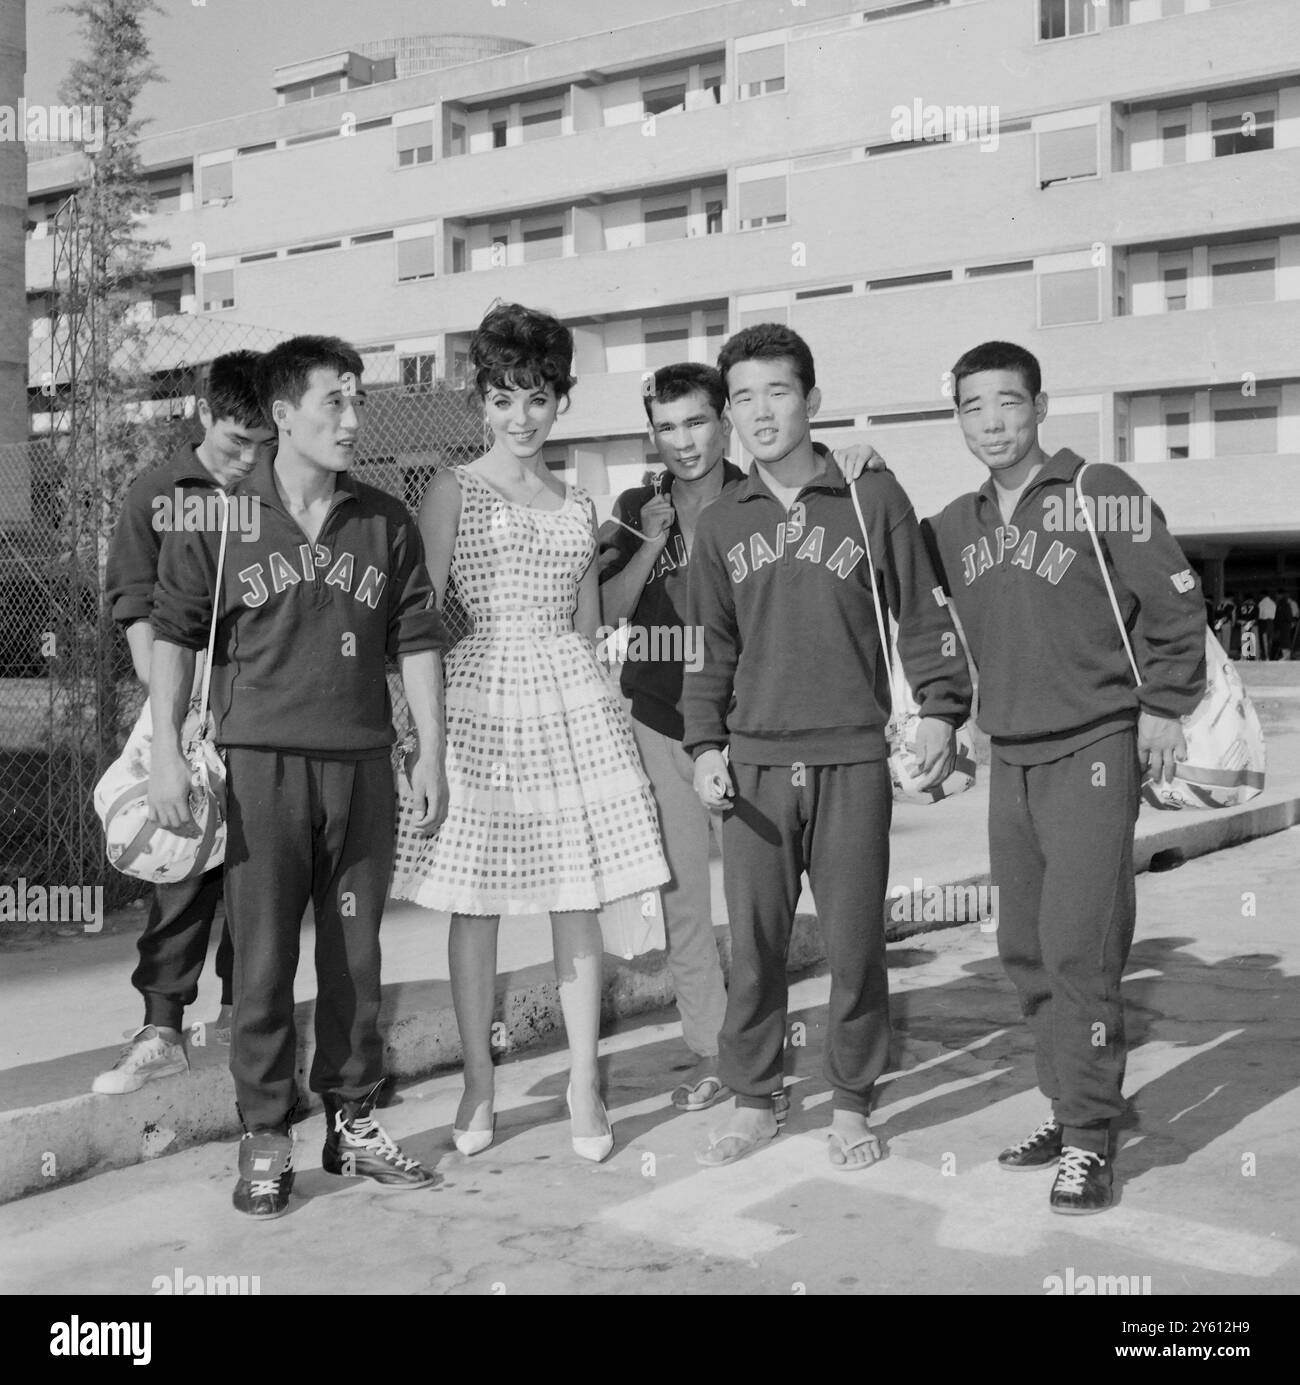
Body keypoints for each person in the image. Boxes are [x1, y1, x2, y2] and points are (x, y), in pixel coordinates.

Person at [149, 335, 450, 1218]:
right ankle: (266, 1135)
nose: (354, 420)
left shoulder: (384, 519)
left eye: (359, 401)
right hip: (260, 770)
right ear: (283, 416)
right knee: (266, 957)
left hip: (360, 766)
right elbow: (173, 631)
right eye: (335, 403)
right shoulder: (220, 519)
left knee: (356, 953)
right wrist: (167, 747)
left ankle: (353, 1122)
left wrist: (427, 749)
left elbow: (419, 641)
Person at [921, 340, 1205, 1213]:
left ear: (1041, 406)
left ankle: (1089, 1139)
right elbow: (909, 595)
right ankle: (1069, 1100)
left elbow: (1177, 599)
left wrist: (1163, 704)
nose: (991, 422)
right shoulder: (954, 526)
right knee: (1027, 948)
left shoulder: (1098, 490)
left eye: (1008, 402)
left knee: (1082, 944)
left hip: (1094, 741)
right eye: (972, 407)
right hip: (1012, 753)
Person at [682, 324, 972, 1170]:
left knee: (853, 944)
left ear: (812, 400)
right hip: (755, 765)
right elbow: (708, 646)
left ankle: (851, 1101)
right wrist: (704, 744)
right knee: (758, 946)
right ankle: (754, 1096)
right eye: (742, 397)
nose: (760, 411)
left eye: (777, 391)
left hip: (851, 758)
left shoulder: (869, 494)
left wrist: (944, 710)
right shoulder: (720, 521)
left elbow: (919, 612)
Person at [391, 302, 670, 1164]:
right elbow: (419, 621)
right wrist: (419, 738)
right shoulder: (452, 489)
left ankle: (586, 1081)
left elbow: (587, 629)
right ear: (482, 402)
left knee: (575, 897)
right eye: (506, 399)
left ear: (560, 404)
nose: (522, 417)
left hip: (568, 704)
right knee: (474, 907)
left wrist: (647, 551)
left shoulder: (579, 500)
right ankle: (481, 1082)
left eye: (539, 398)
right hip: (478, 707)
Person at [598, 363, 890, 1113]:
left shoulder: (756, 491)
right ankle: (715, 1053)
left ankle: (796, 1065)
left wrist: (862, 455)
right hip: (664, 718)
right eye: (667, 427)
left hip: (759, 731)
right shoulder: (636, 506)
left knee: (760, 910)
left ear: (724, 423)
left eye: (697, 422)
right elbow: (603, 610)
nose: (684, 441)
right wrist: (645, 544)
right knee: (685, 899)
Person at [95, 352, 276, 1095]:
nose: (247, 457)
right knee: (180, 866)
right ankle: (161, 1027)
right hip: (187, 707)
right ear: (204, 413)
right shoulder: (159, 491)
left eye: (262, 441)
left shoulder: (275, 492)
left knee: (259, 876)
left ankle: (243, 1018)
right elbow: (133, 604)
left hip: (265, 704)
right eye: (236, 440)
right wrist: (172, 711)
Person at [1257, 591, 1276, 660]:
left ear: (1263, 595)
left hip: (1263, 623)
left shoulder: (1261, 603)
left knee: (1264, 640)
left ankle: (1266, 656)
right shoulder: (1273, 603)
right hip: (1271, 622)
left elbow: (1259, 615)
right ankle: (1270, 656)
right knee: (1270, 640)